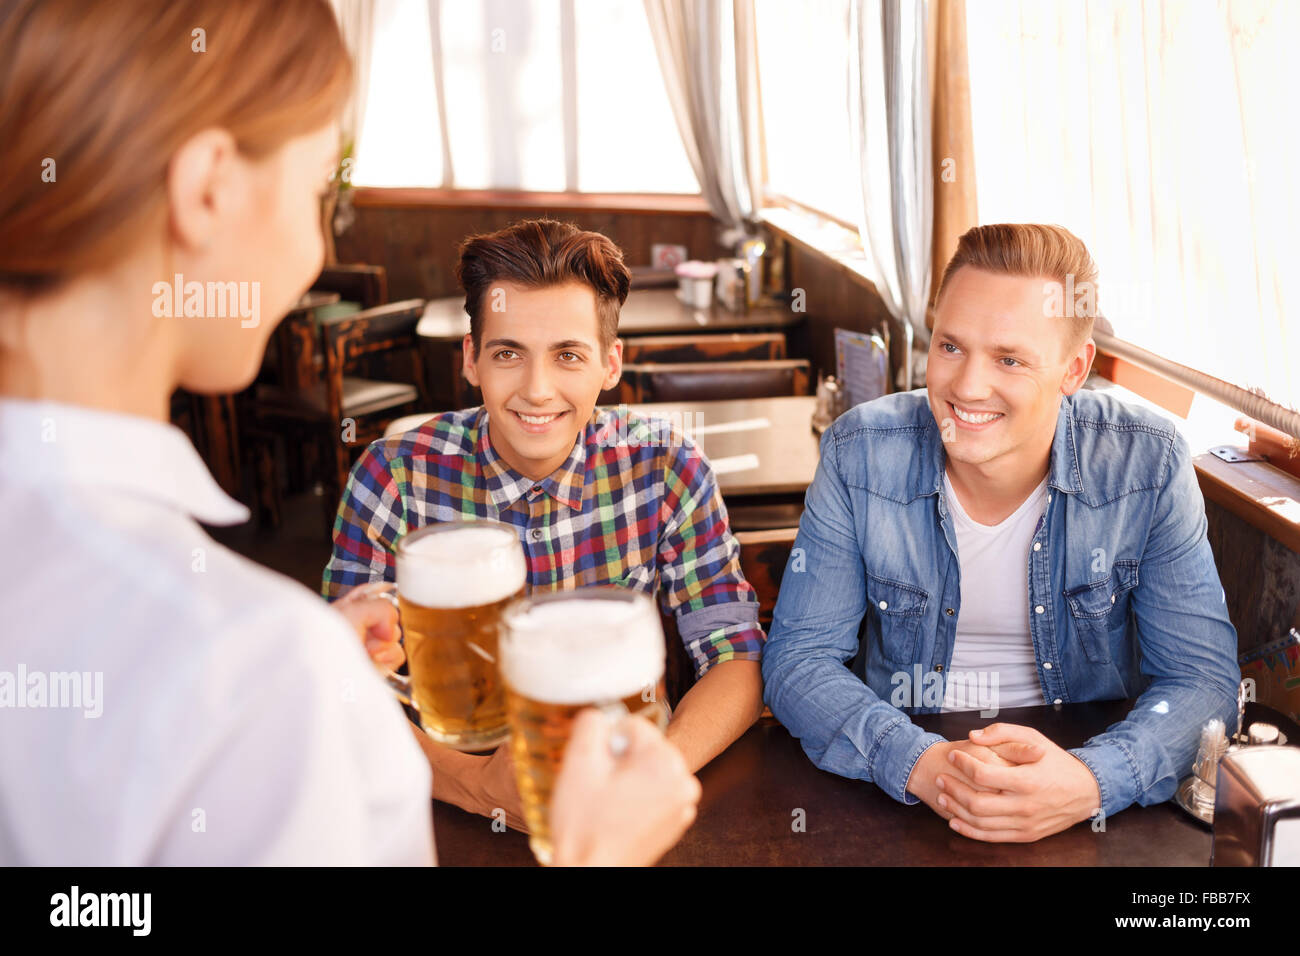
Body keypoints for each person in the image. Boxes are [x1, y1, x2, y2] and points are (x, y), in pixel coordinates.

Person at [0, 0, 698, 866]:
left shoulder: (254, 665)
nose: (311, 244)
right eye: (317, 191)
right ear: (207, 189)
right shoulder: (256, 669)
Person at [763, 223, 1239, 843]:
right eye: (950, 347)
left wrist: (1090, 780)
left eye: (1009, 359)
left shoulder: (1147, 462)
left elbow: (1203, 682)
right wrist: (923, 764)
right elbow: (798, 660)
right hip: (900, 790)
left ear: (1075, 368)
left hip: (1084, 795)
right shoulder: (860, 450)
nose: (966, 388)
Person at [323, 218, 766, 828]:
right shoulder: (391, 476)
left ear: (610, 364)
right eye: (508, 354)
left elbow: (736, 659)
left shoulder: (668, 467)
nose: (537, 390)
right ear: (471, 359)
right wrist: (478, 786)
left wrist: (653, 773)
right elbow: (339, 685)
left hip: (627, 792)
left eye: (567, 355)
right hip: (442, 800)